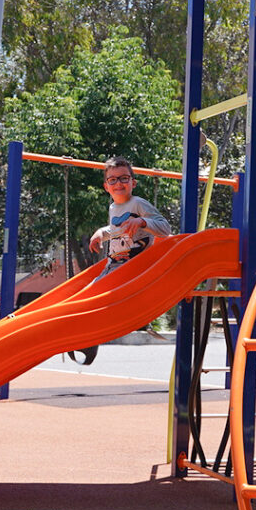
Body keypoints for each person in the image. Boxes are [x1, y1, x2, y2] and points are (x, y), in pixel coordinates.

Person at [72, 156, 172, 364]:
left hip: (133, 266)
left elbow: (165, 228)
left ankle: (90, 339)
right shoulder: (113, 208)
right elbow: (116, 228)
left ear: (133, 183)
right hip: (115, 263)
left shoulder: (138, 204)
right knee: (86, 295)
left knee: (93, 295)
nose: (118, 183)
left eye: (124, 178)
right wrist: (101, 233)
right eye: (113, 180)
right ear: (106, 186)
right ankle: (89, 339)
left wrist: (142, 221)